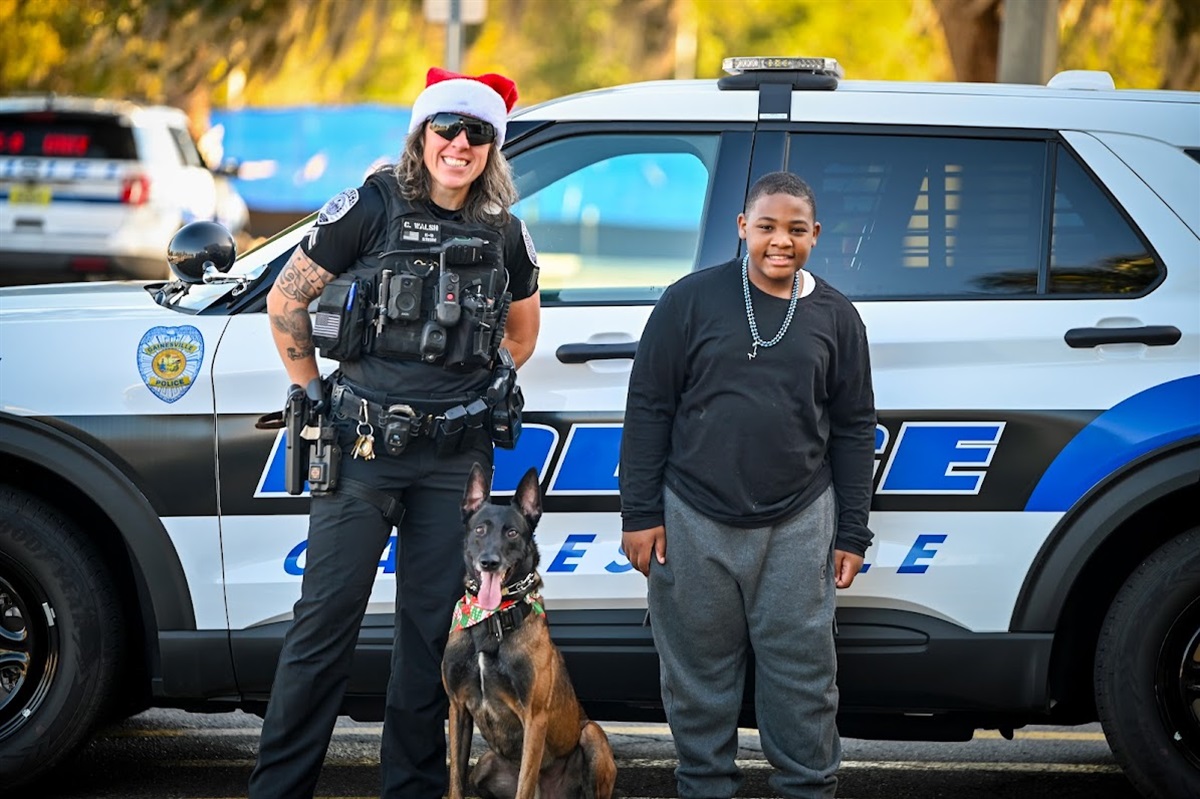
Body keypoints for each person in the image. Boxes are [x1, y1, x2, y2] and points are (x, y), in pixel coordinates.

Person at [248, 67, 540, 799]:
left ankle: (409, 789)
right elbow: (287, 299)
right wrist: (312, 391)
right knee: (322, 630)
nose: (460, 143)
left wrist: (474, 378)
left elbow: (524, 330)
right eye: (447, 126)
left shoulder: (503, 227)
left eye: (478, 132)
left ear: (491, 146)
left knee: (427, 640)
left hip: (455, 466)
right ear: (422, 133)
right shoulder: (373, 203)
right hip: (364, 452)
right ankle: (278, 790)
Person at [619, 171, 876, 799]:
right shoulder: (689, 301)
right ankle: (705, 785)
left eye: (794, 230)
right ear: (743, 229)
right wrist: (639, 514)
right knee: (698, 676)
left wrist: (851, 532)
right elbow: (649, 407)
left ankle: (808, 788)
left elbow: (852, 428)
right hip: (691, 517)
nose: (779, 241)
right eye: (766, 227)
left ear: (815, 235)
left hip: (799, 521)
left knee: (803, 676)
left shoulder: (837, 318)